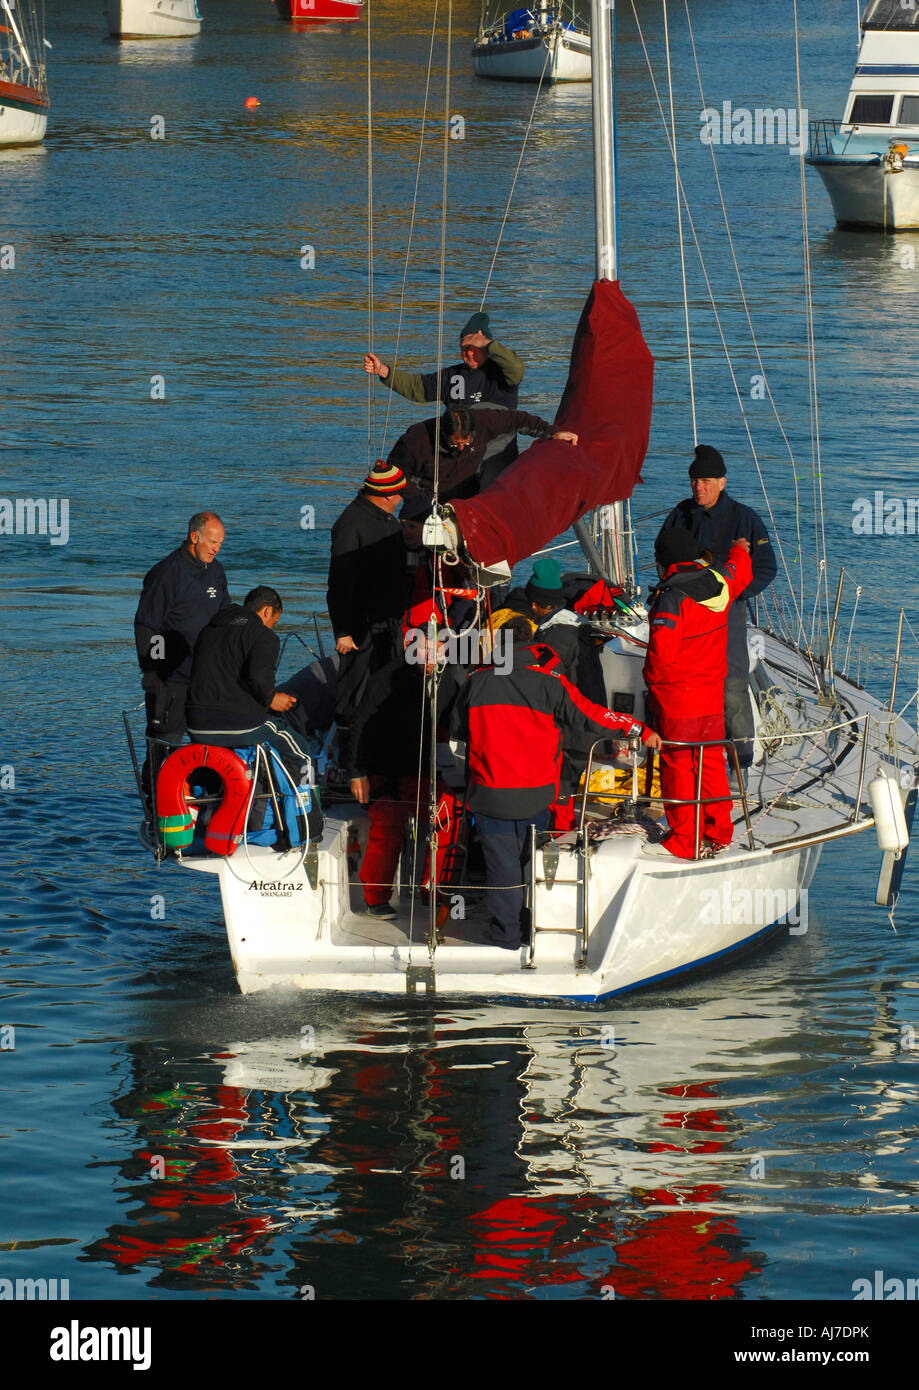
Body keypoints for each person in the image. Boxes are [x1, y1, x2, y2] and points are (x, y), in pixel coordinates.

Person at [452, 617, 661, 948]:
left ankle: (504, 936)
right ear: (532, 644)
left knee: (501, 866)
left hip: (489, 794)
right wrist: (638, 729)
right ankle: (534, 929)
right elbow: (592, 715)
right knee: (532, 862)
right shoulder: (550, 682)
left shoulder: (475, 682)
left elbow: (457, 730)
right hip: (537, 794)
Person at [656, 444, 777, 781]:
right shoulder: (681, 514)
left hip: (728, 614)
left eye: (706, 481)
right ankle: (683, 759)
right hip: (684, 609)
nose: (699, 487)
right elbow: (662, 553)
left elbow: (766, 569)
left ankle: (742, 765)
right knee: (683, 684)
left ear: (722, 482)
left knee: (732, 687)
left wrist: (733, 595)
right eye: (695, 481)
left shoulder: (744, 518)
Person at [642, 528, 752, 861]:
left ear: (665, 562)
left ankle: (684, 839)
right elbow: (740, 571)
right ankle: (719, 833)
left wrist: (652, 684)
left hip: (678, 700)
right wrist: (740, 548)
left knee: (679, 768)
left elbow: (661, 656)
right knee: (711, 765)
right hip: (710, 698)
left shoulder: (672, 598)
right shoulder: (719, 583)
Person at [346, 645, 460, 921]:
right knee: (387, 832)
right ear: (412, 650)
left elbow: (447, 721)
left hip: (425, 772)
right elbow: (360, 724)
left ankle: (433, 888)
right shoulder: (385, 679)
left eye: (439, 653)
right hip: (387, 772)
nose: (434, 659)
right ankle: (376, 899)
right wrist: (356, 772)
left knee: (450, 817)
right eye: (428, 652)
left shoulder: (447, 679)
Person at [363, 310, 527, 483]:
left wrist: (487, 342)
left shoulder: (502, 374)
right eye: (465, 348)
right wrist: (382, 370)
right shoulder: (452, 376)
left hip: (496, 454)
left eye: (475, 348)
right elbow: (417, 387)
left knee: (490, 485)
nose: (469, 353)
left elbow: (517, 368)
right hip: (457, 454)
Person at [134, 510, 229, 792]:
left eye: (221, 543)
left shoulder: (217, 570)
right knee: (163, 748)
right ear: (194, 537)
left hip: (206, 679)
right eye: (212, 542)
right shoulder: (166, 574)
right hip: (171, 681)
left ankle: (205, 806)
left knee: (210, 747)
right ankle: (155, 809)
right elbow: (148, 625)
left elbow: (224, 618)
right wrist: (152, 672)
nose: (216, 548)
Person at [327, 460, 410, 736]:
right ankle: (346, 741)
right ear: (387, 495)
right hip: (362, 626)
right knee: (355, 688)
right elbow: (339, 583)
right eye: (400, 494)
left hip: (389, 621)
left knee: (383, 683)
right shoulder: (351, 525)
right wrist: (343, 631)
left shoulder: (385, 519)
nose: (401, 499)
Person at [186, 585, 310, 762]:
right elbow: (258, 678)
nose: (271, 627)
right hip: (237, 726)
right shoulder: (263, 636)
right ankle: (304, 789)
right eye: (274, 622)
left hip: (196, 725)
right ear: (267, 611)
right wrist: (272, 698)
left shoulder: (209, 630)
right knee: (301, 750)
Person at [387, 406, 577, 503]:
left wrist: (551, 432)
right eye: (455, 443)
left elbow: (518, 419)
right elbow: (394, 473)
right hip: (427, 500)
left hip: (467, 497)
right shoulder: (416, 440)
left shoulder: (484, 421)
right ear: (443, 434)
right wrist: (422, 498)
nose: (461, 448)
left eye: (466, 442)